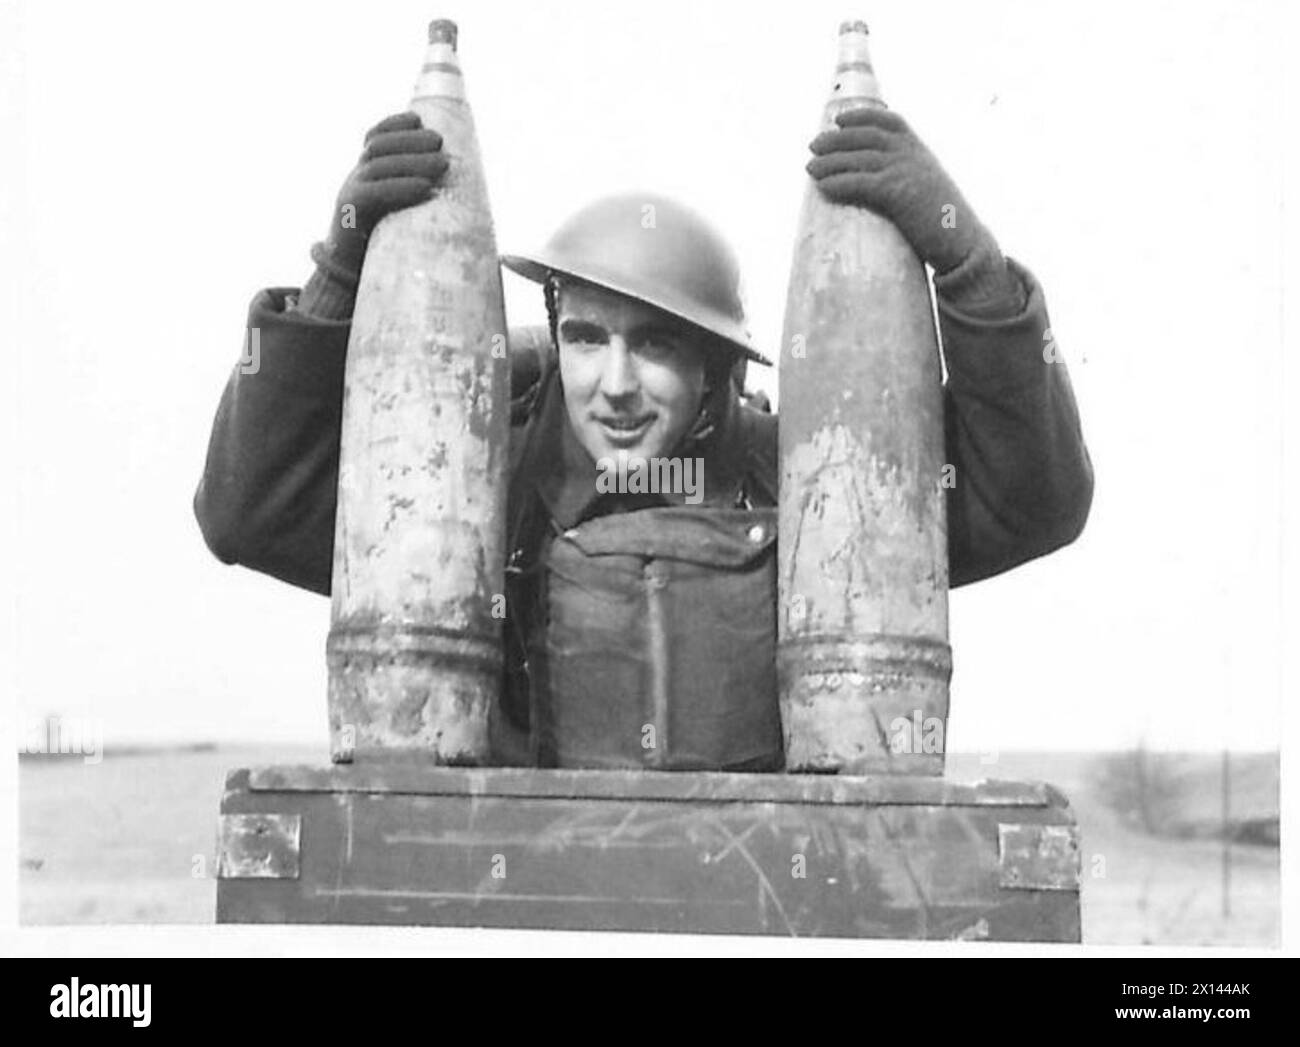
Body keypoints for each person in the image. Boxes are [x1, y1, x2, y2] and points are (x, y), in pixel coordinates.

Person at [194, 109, 1093, 771]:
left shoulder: (812, 497)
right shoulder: (471, 504)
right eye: (586, 337)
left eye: (656, 343)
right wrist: (335, 278)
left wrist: (970, 268)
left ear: (715, 367)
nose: (614, 383)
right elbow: (247, 511)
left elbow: (1035, 502)